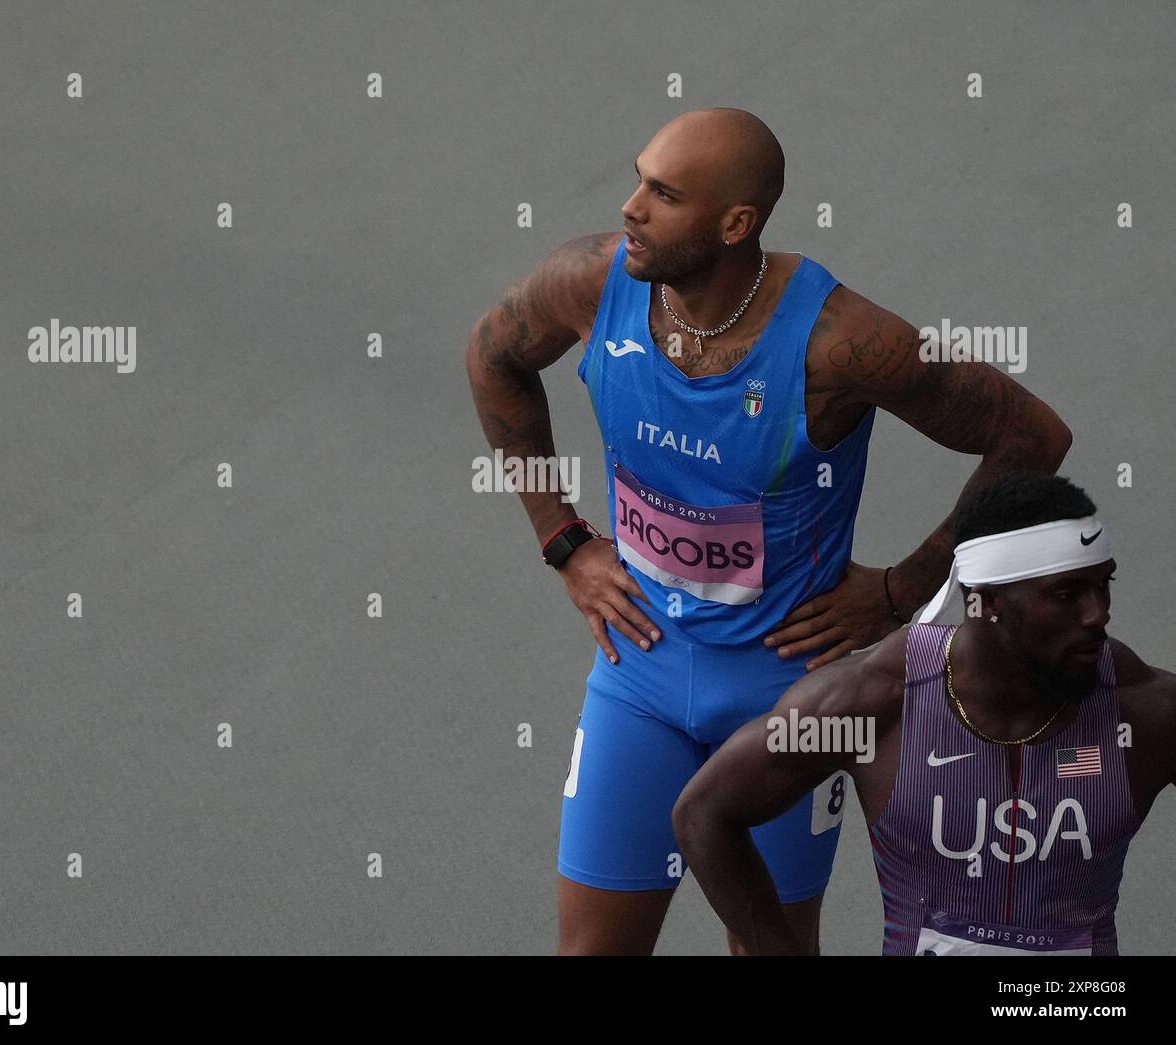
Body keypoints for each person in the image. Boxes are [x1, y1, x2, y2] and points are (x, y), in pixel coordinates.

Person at [465, 107, 1072, 955]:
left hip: (788, 701)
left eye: (664, 194)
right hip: (637, 676)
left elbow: (1031, 437)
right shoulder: (592, 283)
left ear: (735, 223)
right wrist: (563, 538)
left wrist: (904, 588)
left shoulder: (842, 344)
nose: (632, 207)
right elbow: (492, 357)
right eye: (639, 179)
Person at [675, 472, 1173, 956]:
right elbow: (705, 813)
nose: (1097, 614)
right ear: (989, 601)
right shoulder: (874, 701)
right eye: (1067, 595)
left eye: (1101, 586)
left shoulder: (1146, 710)